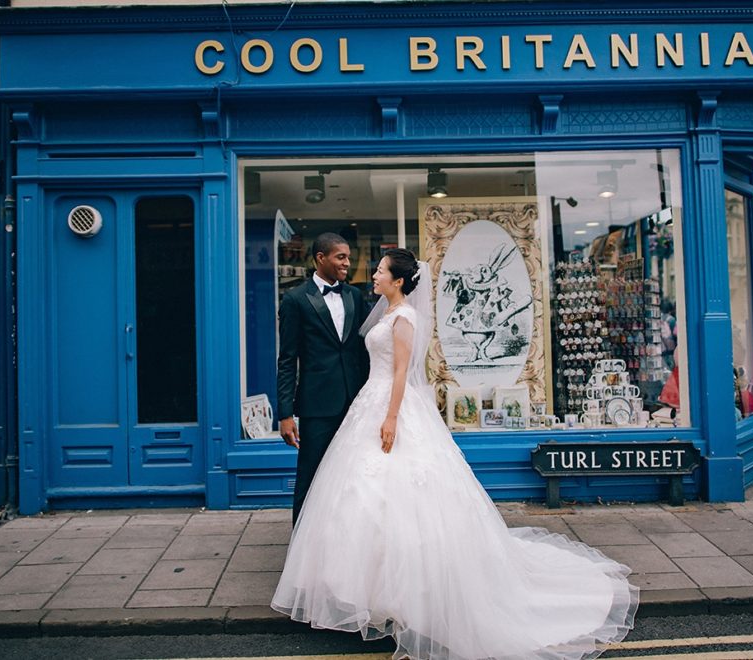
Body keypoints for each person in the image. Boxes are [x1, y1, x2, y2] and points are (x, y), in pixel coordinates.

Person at [272, 248, 638, 660]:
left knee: (394, 496)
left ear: (397, 280)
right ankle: (363, 590)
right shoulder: (381, 310)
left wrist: (391, 418)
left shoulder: (405, 318)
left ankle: (405, 592)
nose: (372, 275)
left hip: (389, 407)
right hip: (366, 403)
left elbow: (400, 374)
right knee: (358, 495)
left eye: (379, 270)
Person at [277, 232, 369, 525]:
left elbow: (362, 352)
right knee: (310, 476)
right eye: (340, 257)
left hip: (356, 403)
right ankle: (300, 549)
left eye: (348, 257)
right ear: (321, 258)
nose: (347, 263)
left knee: (355, 475)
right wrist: (285, 413)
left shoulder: (355, 295)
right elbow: (288, 359)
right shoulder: (295, 299)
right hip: (317, 406)